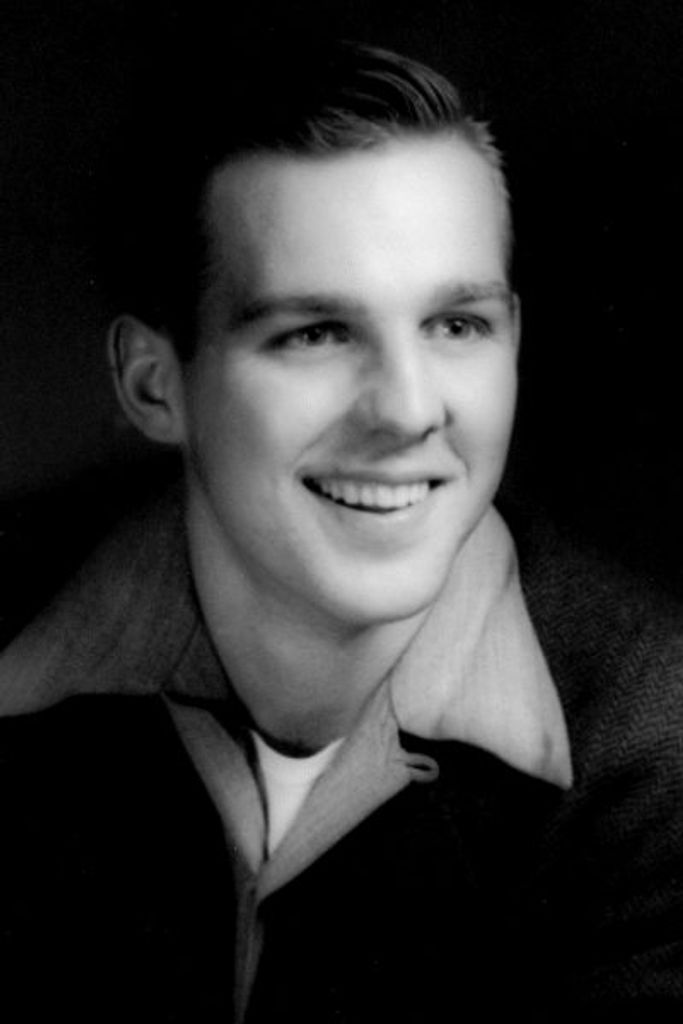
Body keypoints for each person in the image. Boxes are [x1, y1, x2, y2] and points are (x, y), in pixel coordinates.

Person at [1, 36, 682, 1023]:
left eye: (456, 325)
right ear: (154, 386)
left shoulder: (652, 742)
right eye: (315, 333)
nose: (406, 410)